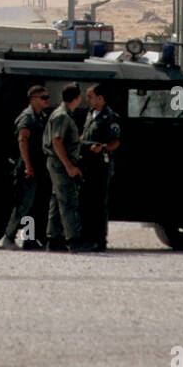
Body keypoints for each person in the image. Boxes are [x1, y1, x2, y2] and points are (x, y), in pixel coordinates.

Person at [42, 84, 96, 252]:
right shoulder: (62, 116)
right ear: (77, 98)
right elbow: (57, 141)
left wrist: (86, 145)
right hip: (60, 164)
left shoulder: (63, 114)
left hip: (57, 162)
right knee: (68, 201)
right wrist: (69, 166)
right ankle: (74, 241)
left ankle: (54, 239)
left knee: (57, 200)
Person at [1, 85, 51, 249]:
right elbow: (23, 140)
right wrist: (28, 166)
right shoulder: (27, 117)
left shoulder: (41, 116)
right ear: (33, 99)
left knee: (36, 204)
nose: (47, 100)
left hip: (38, 165)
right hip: (27, 165)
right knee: (24, 204)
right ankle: (9, 237)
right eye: (43, 97)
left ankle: (29, 239)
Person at [79, 84, 122, 250]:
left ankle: (99, 240)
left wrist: (103, 147)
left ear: (100, 98)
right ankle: (87, 237)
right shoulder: (91, 114)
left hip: (100, 166)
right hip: (87, 164)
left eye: (90, 96)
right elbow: (86, 133)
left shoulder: (110, 117)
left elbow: (115, 141)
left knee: (98, 204)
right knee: (86, 203)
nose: (87, 99)